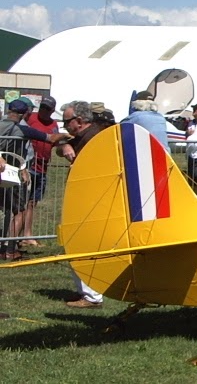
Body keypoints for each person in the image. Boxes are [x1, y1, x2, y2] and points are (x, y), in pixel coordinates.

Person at [58, 100, 105, 308]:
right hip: (84, 198)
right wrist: (65, 145)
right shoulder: (82, 136)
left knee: (82, 245)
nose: (64, 124)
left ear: (78, 120)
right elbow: (61, 146)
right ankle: (87, 292)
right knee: (76, 243)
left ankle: (92, 296)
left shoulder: (94, 138)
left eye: (66, 121)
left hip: (90, 199)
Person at [21, 94, 62, 248]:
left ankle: (27, 235)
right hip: (29, 166)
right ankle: (19, 235)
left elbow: (56, 142)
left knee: (32, 202)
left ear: (52, 110)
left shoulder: (54, 124)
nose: (44, 110)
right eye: (42, 107)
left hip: (42, 168)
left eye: (47, 108)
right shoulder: (30, 118)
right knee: (22, 202)